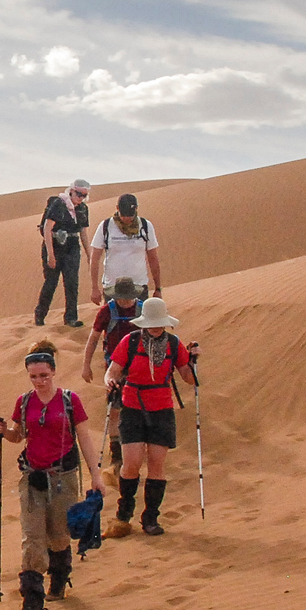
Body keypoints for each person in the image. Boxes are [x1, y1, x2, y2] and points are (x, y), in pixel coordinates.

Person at [0, 341, 107, 610]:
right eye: (33, 376)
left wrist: (96, 474)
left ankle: (58, 580)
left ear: (53, 372)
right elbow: (18, 436)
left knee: (58, 536)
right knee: (32, 538)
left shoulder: (69, 401)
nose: (39, 381)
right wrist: (3, 431)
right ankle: (31, 601)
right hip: (32, 480)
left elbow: (85, 438)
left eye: (44, 375)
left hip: (63, 479)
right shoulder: (24, 402)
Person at [102, 299, 200, 536]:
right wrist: (110, 383)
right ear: (144, 323)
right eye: (153, 324)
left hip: (162, 408)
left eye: (160, 324)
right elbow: (112, 371)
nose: (156, 328)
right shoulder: (131, 341)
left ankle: (150, 518)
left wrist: (194, 360)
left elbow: (189, 378)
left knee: (156, 462)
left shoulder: (174, 345)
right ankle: (124, 514)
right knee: (132, 462)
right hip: (132, 406)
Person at [83, 276, 145, 465]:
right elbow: (93, 338)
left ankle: (137, 446)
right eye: (122, 298)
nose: (125, 301)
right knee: (115, 409)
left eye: (128, 298)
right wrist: (86, 365)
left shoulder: (143, 309)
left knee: (140, 408)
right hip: (114, 368)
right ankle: (116, 451)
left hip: (139, 367)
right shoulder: (106, 311)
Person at [34, 180, 92, 327]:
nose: (80, 198)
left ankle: (71, 318)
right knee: (51, 282)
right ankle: (40, 315)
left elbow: (83, 233)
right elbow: (47, 228)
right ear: (72, 191)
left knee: (72, 282)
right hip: (54, 245)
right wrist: (50, 254)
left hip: (72, 246)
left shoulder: (83, 209)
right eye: (79, 194)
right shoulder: (58, 205)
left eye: (84, 195)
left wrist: (89, 254)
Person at [88, 193, 161, 306]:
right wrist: (94, 288)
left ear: (136, 209)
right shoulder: (106, 226)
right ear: (117, 208)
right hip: (112, 288)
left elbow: (153, 258)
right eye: (124, 214)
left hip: (139, 287)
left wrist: (158, 288)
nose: (127, 218)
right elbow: (95, 259)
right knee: (111, 322)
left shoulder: (146, 226)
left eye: (130, 215)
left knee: (139, 322)